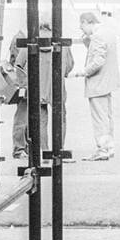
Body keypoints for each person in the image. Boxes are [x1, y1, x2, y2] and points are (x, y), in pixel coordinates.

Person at [10, 24, 74, 160]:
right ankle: (59, 149)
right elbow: (69, 65)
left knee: (41, 119)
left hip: (37, 86)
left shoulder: (32, 42)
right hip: (56, 86)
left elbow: (18, 64)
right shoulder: (62, 43)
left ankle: (44, 151)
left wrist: (25, 83)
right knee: (60, 118)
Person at [74, 12, 119, 160]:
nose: (82, 30)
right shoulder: (108, 32)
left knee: (100, 119)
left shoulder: (98, 36)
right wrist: (88, 40)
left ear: (87, 22)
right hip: (107, 82)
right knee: (106, 117)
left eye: (82, 27)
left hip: (98, 83)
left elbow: (98, 61)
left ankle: (103, 150)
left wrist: (83, 72)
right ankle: (109, 147)